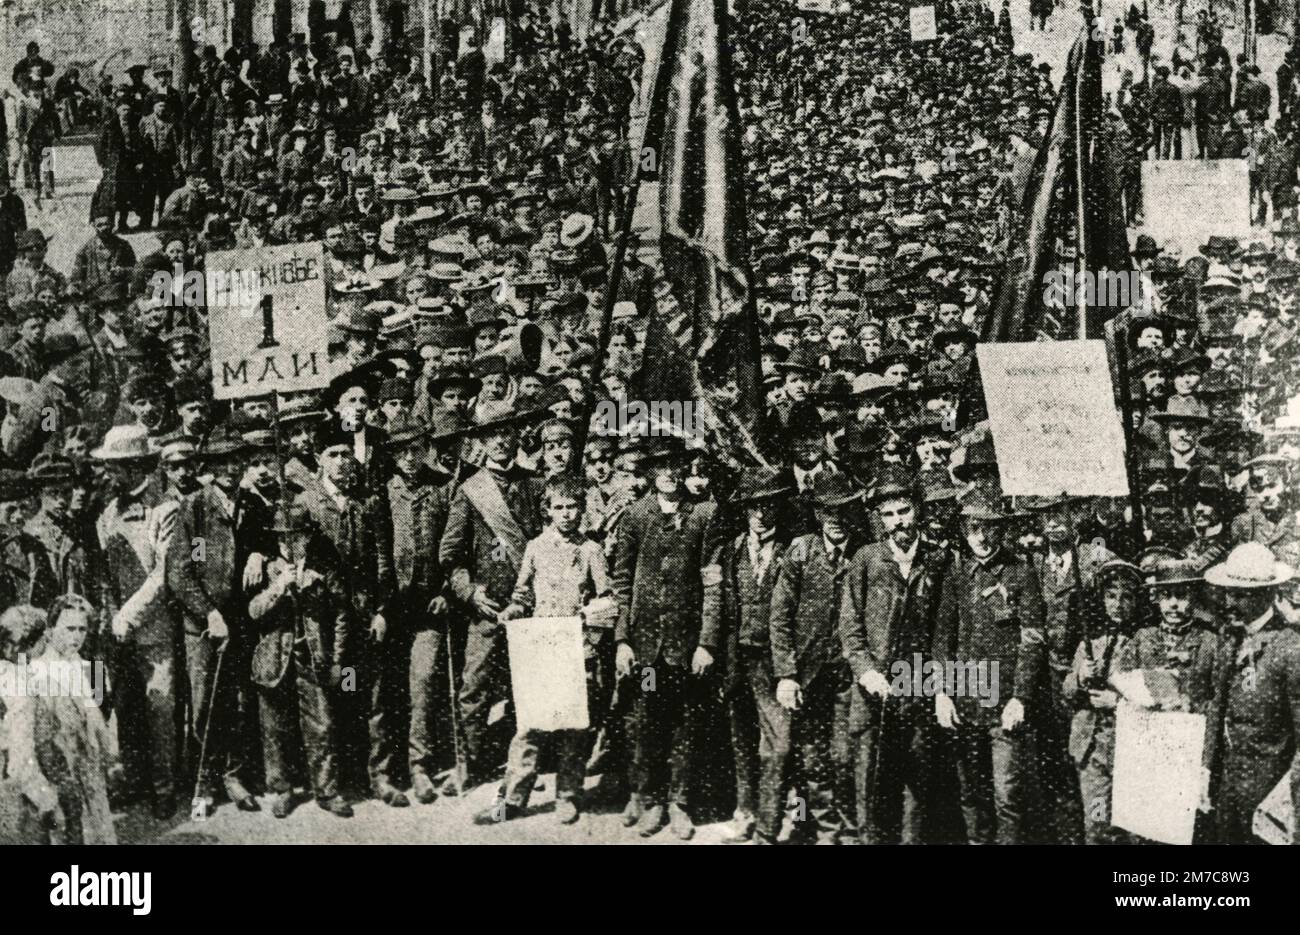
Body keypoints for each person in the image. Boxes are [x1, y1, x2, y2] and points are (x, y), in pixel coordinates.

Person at [478, 473, 614, 825]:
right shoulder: (535, 547)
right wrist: (512, 609)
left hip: (576, 647)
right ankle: (512, 798)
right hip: (540, 646)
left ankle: (568, 795)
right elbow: (523, 593)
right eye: (559, 508)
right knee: (530, 727)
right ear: (547, 511)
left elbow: (606, 601)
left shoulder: (591, 551)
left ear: (582, 510)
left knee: (573, 727)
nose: (567, 514)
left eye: (573, 507)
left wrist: (590, 630)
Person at [838, 465, 952, 844]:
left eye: (903, 510)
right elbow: (850, 627)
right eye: (888, 514)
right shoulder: (866, 560)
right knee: (870, 782)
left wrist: (939, 688)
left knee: (918, 783)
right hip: (873, 693)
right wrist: (867, 672)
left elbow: (943, 632)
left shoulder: (939, 561)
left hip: (917, 687)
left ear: (917, 509)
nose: (897, 521)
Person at [611, 435, 718, 839]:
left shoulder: (705, 515)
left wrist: (706, 642)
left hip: (685, 649)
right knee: (647, 722)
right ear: (650, 472)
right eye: (661, 466)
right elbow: (621, 583)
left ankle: (679, 803)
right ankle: (649, 799)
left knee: (685, 724)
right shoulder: (635, 516)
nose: (670, 473)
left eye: (675, 464)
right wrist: (623, 640)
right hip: (646, 650)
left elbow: (712, 584)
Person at [438, 402, 543, 795]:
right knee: (473, 690)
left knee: (527, 689)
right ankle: (470, 764)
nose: (501, 441)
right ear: (481, 442)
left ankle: (526, 765)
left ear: (517, 437)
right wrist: (470, 592)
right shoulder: (470, 492)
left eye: (507, 433)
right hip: (486, 608)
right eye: (492, 435)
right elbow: (450, 557)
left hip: (528, 606)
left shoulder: (536, 485)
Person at [933, 490, 1047, 844]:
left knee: (1007, 796)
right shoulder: (956, 575)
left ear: (1002, 531)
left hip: (1004, 707)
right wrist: (940, 694)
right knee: (972, 796)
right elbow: (942, 640)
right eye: (973, 528)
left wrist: (1020, 698)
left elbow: (1032, 640)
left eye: (989, 528)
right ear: (964, 531)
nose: (982, 537)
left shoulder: (1020, 573)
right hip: (965, 703)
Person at [701, 467, 794, 844]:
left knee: (778, 745)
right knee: (742, 742)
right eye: (754, 506)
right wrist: (711, 649)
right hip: (737, 660)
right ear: (744, 510)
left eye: (768, 506)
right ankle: (746, 811)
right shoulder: (729, 550)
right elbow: (715, 603)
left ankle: (771, 826)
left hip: (774, 663)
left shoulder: (794, 549)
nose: (760, 514)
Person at [769, 472, 861, 844]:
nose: (835, 519)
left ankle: (852, 832)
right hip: (807, 675)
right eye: (827, 511)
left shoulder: (865, 554)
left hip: (847, 674)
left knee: (845, 756)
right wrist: (786, 674)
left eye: (842, 511)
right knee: (811, 758)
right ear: (818, 514)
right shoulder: (801, 551)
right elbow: (780, 615)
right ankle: (825, 830)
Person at [247, 502, 352, 819]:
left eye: (294, 537)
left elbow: (341, 615)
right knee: (275, 728)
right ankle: (281, 789)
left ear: (307, 538)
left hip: (313, 657)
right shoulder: (266, 569)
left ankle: (327, 790)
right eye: (281, 539)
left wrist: (337, 661)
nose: (288, 544)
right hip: (274, 658)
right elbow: (253, 612)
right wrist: (278, 587)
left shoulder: (324, 568)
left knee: (320, 725)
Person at [1202, 543, 1300, 843]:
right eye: (1228, 592)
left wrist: (1290, 800)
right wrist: (1205, 768)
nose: (1230, 601)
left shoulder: (1289, 648)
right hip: (1228, 784)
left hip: (1269, 789)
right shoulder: (1228, 637)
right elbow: (1215, 707)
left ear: (1267, 594)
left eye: (1241, 595)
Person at [2, 596, 115, 844]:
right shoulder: (32, 668)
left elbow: (100, 717)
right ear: (51, 630)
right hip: (51, 762)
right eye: (69, 629)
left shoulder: (94, 668)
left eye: (82, 629)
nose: (76, 637)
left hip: (86, 762)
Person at [1061, 559, 1143, 844]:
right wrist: (1081, 676)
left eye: (1126, 597)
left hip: (1129, 749)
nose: (1118, 604)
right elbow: (1067, 695)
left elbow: (1156, 698)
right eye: (1111, 596)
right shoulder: (1089, 645)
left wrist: (1117, 700)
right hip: (1092, 749)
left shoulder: (1145, 644)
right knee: (1096, 825)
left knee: (1133, 829)